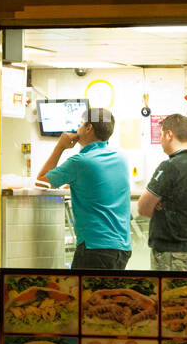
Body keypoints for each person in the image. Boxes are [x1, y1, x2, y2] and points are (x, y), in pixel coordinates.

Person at [36, 108, 132, 270]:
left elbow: (41, 182)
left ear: (89, 128)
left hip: (95, 248)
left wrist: (60, 147)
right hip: (122, 248)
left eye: (80, 124)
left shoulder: (80, 162)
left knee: (84, 295)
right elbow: (93, 186)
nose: (77, 129)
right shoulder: (121, 159)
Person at [137, 113, 187, 270]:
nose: (160, 140)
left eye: (161, 134)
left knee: (170, 295)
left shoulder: (171, 166)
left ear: (169, 135)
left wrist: (157, 203)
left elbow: (143, 208)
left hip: (172, 254)